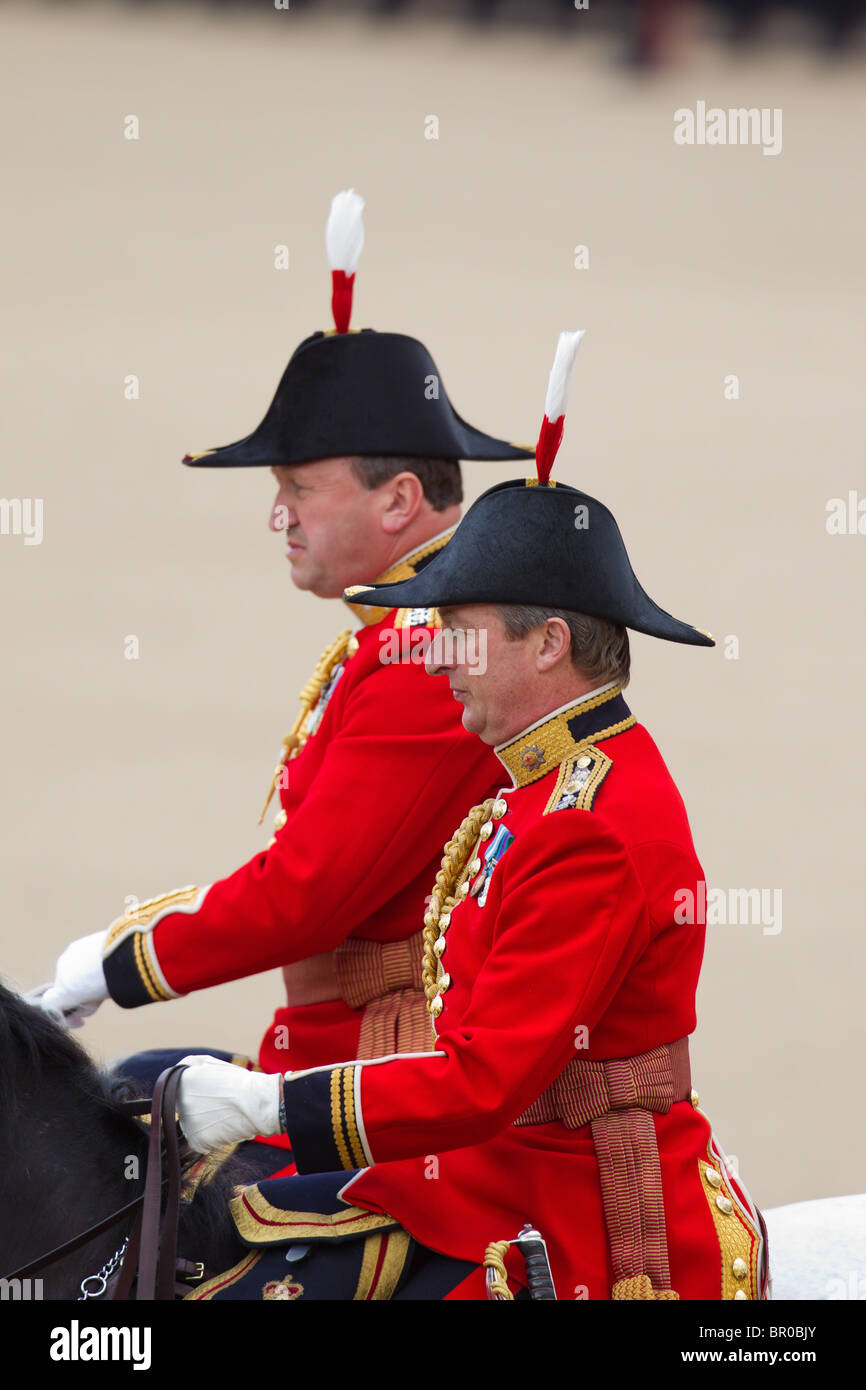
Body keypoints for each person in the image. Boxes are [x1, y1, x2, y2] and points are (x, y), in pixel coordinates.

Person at [173, 331, 768, 1301]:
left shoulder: (588, 821)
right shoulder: (539, 778)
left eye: (459, 630)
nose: (437, 654)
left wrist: (263, 1100)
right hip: (493, 1173)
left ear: (546, 644)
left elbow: (479, 1079)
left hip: (577, 1213)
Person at [36, 192, 532, 1157]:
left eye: (300, 489)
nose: (281, 518)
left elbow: (307, 894)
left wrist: (124, 961)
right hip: (329, 1044)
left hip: (391, 1070)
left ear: (398, 501)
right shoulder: (397, 634)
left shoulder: (435, 656)